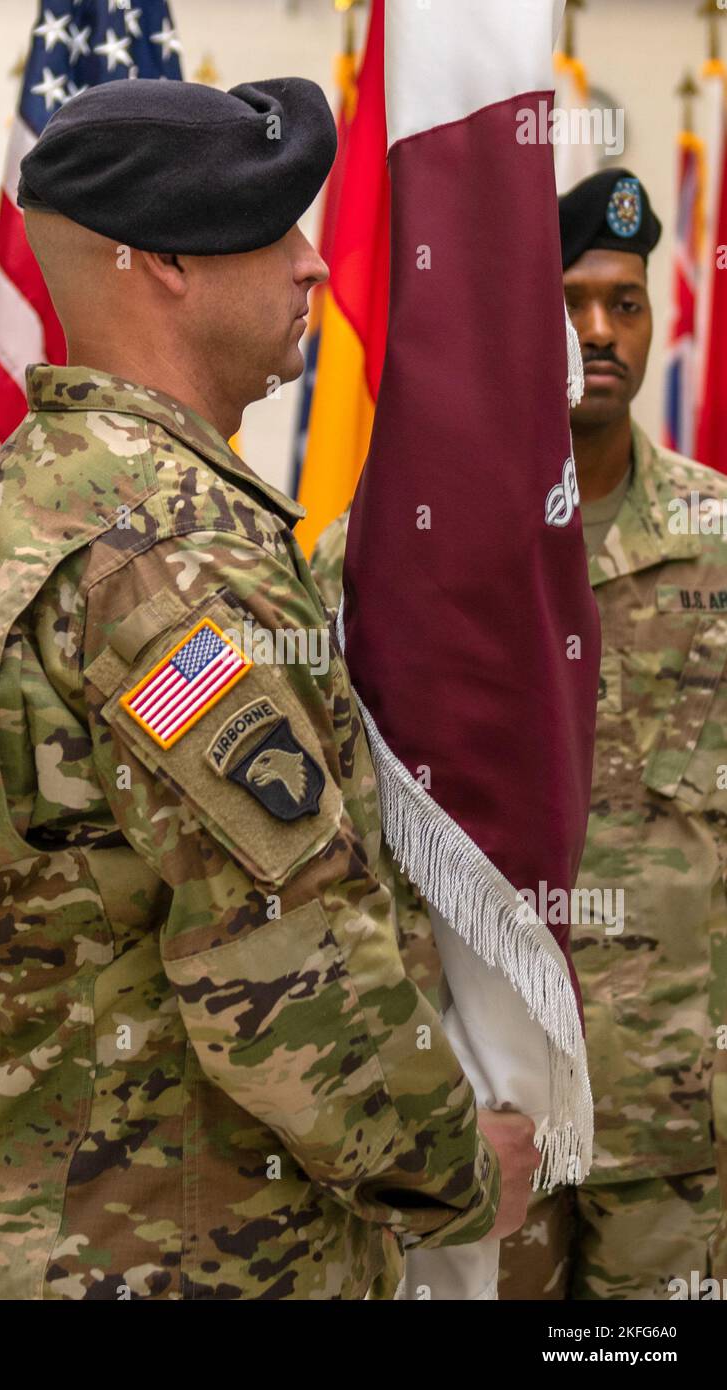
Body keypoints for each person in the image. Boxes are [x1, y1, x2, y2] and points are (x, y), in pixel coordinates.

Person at [0, 76, 536, 1302]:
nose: (315, 268)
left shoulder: (39, 485)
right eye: (268, 228)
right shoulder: (171, 551)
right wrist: (463, 1174)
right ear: (160, 262)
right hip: (185, 1241)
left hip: (65, 1210)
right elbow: (281, 960)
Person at [314, 167, 727, 1299]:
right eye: (570, 300)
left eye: (625, 302)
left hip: (674, 1116)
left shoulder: (716, 540)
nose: (599, 330)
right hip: (490, 1106)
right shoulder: (399, 552)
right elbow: (341, 846)